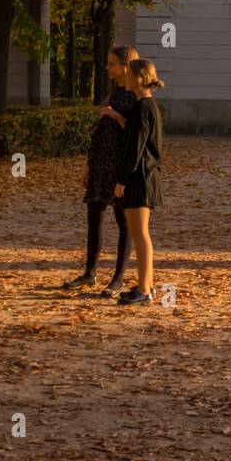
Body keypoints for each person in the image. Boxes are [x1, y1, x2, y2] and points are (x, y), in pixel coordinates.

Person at [63, 44, 139, 296]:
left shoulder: (135, 95)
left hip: (120, 167)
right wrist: (88, 165)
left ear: (126, 66)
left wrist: (114, 114)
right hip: (100, 164)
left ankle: (118, 279)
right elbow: (99, 135)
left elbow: (138, 133)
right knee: (94, 219)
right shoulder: (113, 92)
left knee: (124, 222)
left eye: (112, 64)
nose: (107, 68)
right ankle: (90, 273)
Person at [114, 59, 165, 306]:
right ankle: (146, 285)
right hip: (144, 175)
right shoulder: (146, 106)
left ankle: (145, 289)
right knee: (139, 233)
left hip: (140, 178)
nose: (125, 78)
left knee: (140, 234)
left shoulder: (144, 107)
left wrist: (122, 179)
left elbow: (136, 147)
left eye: (129, 74)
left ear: (140, 78)